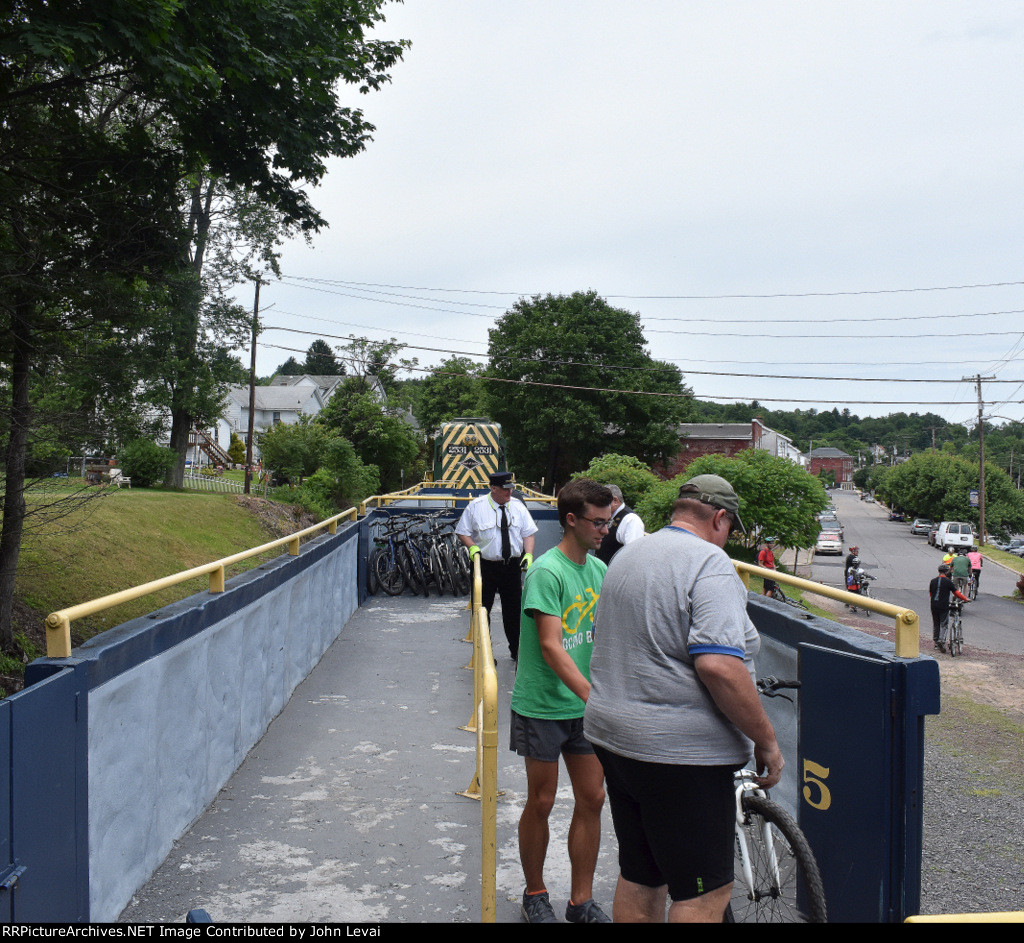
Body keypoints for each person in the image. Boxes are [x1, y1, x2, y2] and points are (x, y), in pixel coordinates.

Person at [583, 474, 783, 923]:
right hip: (679, 756)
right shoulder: (710, 564)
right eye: (730, 528)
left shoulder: (627, 554)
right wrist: (766, 740)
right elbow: (719, 666)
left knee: (641, 876)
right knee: (703, 894)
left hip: (614, 738)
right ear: (719, 518)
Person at [510, 478, 614, 924]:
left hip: (585, 708)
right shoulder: (546, 572)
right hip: (544, 704)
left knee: (592, 798)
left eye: (609, 522)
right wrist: (595, 696)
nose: (605, 530)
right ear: (570, 519)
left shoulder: (599, 571)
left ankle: (580, 901)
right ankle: (535, 892)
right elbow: (552, 646)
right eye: (597, 522)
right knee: (542, 801)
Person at [456, 470, 538, 661]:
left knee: (514, 611)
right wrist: (472, 547)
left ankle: (517, 651)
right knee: (482, 611)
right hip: (485, 566)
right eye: (505, 489)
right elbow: (463, 531)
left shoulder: (517, 507)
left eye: (511, 489)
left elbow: (528, 533)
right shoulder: (476, 507)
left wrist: (529, 554)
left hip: (511, 566)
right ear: (493, 488)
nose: (510, 493)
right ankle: (484, 654)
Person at [595, 484, 644, 565]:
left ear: (615, 501)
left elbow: (633, 556)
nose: (599, 507)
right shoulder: (609, 517)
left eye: (602, 503)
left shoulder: (631, 520)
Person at [929, 563, 969, 653]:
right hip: (943, 605)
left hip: (933, 605)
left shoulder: (933, 581)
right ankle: (942, 641)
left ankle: (935, 643)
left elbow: (931, 594)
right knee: (944, 624)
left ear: (939, 571)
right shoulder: (948, 582)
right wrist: (965, 599)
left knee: (936, 623)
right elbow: (956, 593)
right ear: (947, 572)